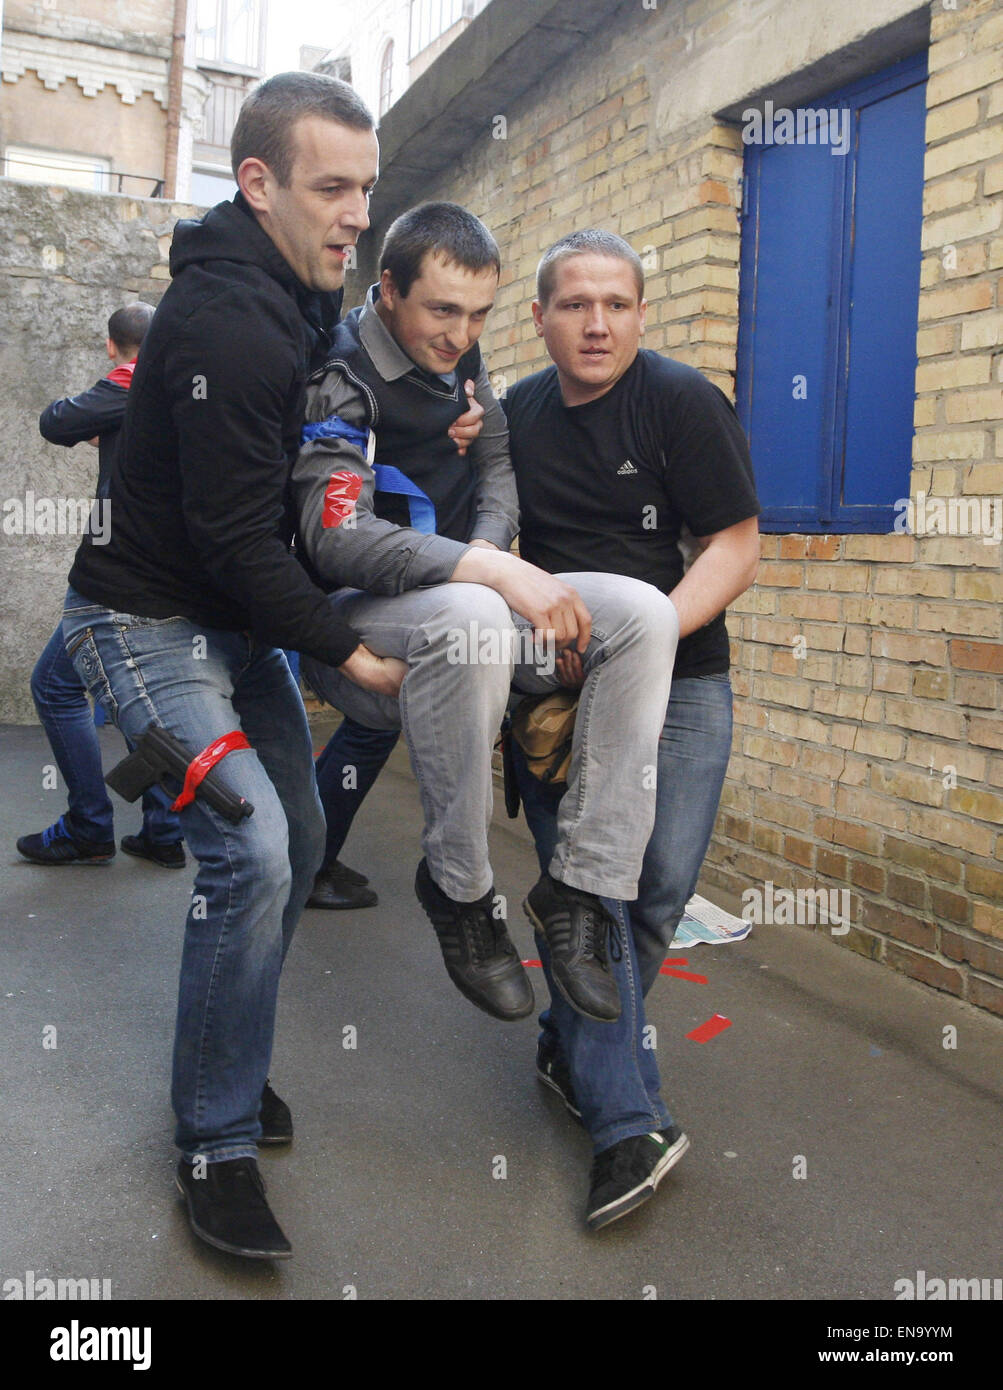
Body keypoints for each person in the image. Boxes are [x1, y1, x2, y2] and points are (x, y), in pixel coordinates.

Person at [59, 72, 454, 1262]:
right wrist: (348, 657)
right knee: (254, 846)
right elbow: (240, 539)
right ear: (259, 183)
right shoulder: (231, 323)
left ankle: (222, 1058)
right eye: (331, 187)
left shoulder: (296, 301)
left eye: (366, 190)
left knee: (298, 832)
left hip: (236, 623)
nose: (354, 212)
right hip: (146, 625)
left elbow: (331, 447)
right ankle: (213, 1136)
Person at [293, 202, 679, 1033]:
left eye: (479, 314)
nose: (461, 333)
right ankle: (459, 887)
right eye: (442, 311)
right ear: (387, 288)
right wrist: (488, 569)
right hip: (356, 624)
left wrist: (490, 547)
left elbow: (497, 461)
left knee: (644, 613)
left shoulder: (462, 358)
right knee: (474, 606)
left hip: (466, 604)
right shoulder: (339, 374)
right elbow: (333, 537)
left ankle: (578, 886)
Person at [503, 229, 761, 1231]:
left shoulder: (681, 402)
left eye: (615, 302)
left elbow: (735, 548)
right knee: (592, 890)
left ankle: (572, 1042)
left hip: (684, 680)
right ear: (541, 317)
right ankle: (626, 1121)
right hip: (557, 695)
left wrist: (645, 639)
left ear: (641, 313)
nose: (596, 321)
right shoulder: (516, 414)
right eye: (573, 303)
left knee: (656, 893)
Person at [17, 303, 186, 870]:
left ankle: (90, 825)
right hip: (175, 572)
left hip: (119, 574)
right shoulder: (188, 384)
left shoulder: (133, 379)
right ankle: (162, 828)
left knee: (57, 686)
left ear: (115, 345)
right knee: (142, 695)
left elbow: (55, 420)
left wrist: (109, 403)